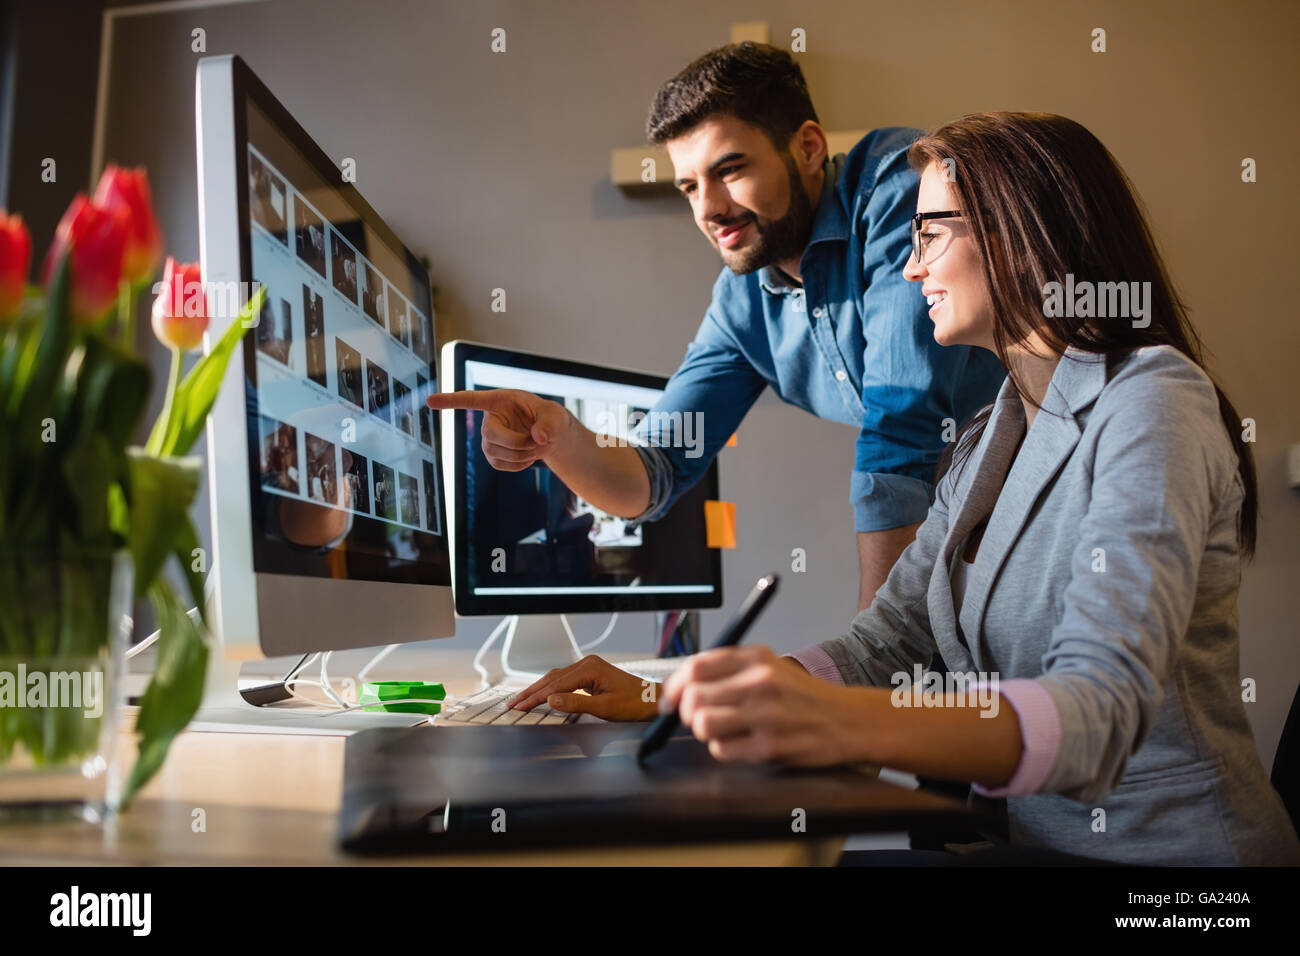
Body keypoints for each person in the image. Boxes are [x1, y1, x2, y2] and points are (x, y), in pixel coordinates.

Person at [504, 111, 1300, 865]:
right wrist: (671, 698)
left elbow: (1097, 719)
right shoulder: (990, 438)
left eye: (928, 234)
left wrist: (832, 725)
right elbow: (886, 646)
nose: (911, 265)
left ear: (1018, 230)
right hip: (1030, 847)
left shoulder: (1151, 400)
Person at [428, 43, 1004, 609]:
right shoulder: (740, 305)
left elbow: (902, 431)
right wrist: (561, 437)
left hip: (1058, 474)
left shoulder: (899, 184)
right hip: (972, 520)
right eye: (689, 187)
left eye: (729, 170)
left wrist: (875, 662)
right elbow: (655, 472)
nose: (708, 208)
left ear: (807, 147)